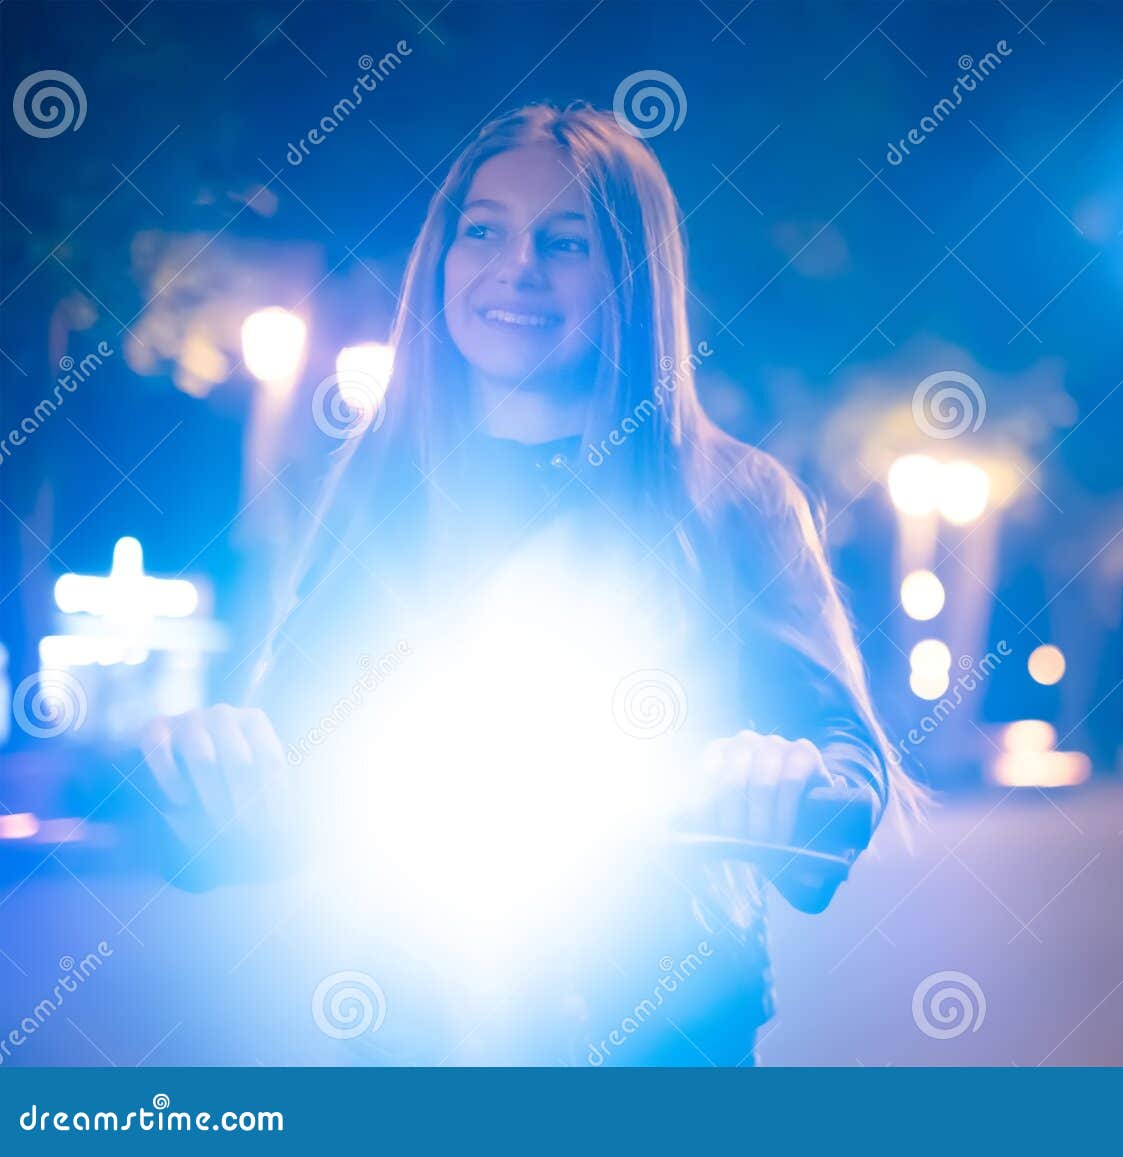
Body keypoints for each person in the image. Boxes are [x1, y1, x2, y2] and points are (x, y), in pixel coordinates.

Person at [139, 102, 918, 1065]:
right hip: (409, 1025)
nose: (517, 268)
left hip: (666, 1031)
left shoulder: (733, 497)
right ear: (441, 257)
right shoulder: (380, 492)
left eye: (567, 241)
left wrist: (787, 785)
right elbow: (287, 770)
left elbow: (848, 759)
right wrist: (206, 775)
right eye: (483, 232)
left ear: (635, 274)